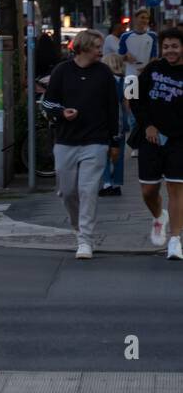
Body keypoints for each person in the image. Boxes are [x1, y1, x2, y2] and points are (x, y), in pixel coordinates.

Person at [40, 29, 120, 260]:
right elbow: (48, 103)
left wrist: (114, 141)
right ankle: (77, 225)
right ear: (84, 47)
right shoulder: (62, 71)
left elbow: (112, 108)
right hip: (66, 140)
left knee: (88, 190)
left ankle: (85, 239)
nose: (100, 51)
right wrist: (62, 113)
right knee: (67, 192)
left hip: (96, 141)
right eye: (97, 47)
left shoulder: (104, 73)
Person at [128, 26, 183, 260]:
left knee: (176, 189)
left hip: (179, 141)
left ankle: (175, 239)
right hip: (150, 138)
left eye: (175, 46)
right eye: (166, 46)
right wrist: (147, 124)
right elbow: (133, 96)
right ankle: (159, 216)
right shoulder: (152, 69)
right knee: (148, 190)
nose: (170, 50)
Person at [99, 52, 129, 197]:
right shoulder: (129, 81)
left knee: (104, 152)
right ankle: (117, 184)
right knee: (119, 154)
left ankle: (106, 183)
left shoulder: (104, 81)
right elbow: (129, 103)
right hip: (122, 122)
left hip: (105, 121)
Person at [120, 8, 158, 79]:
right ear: (135, 18)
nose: (145, 20)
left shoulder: (153, 36)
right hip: (130, 74)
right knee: (131, 90)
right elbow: (120, 57)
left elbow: (154, 57)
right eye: (142, 17)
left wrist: (147, 68)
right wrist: (126, 56)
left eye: (147, 18)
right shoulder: (125, 36)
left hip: (147, 74)